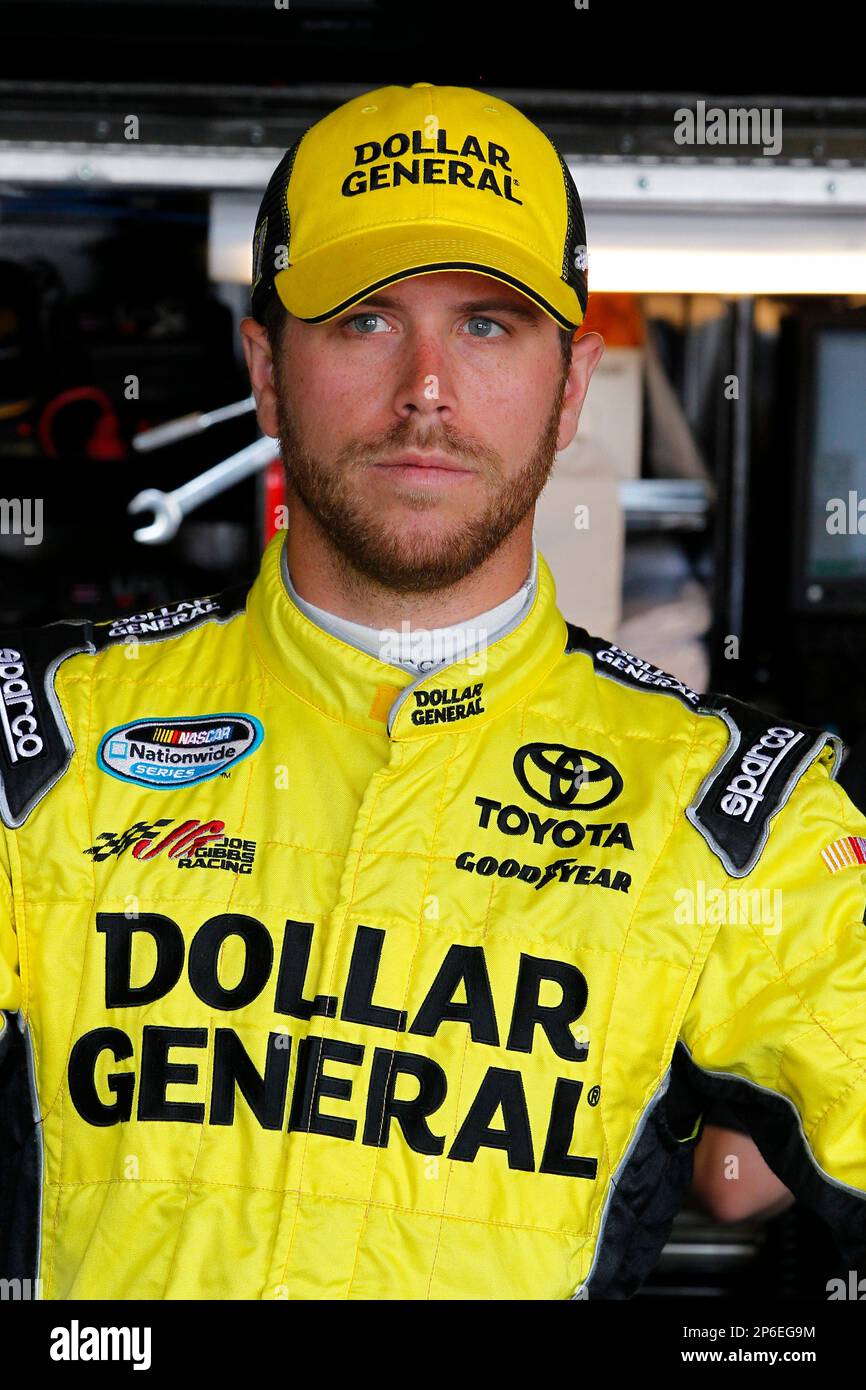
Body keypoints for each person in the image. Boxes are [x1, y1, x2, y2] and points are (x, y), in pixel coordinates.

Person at [1, 82, 864, 1302]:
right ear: (265, 369)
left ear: (571, 385)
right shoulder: (42, 740)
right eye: (363, 320)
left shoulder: (730, 814)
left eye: (487, 325)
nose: (424, 389)